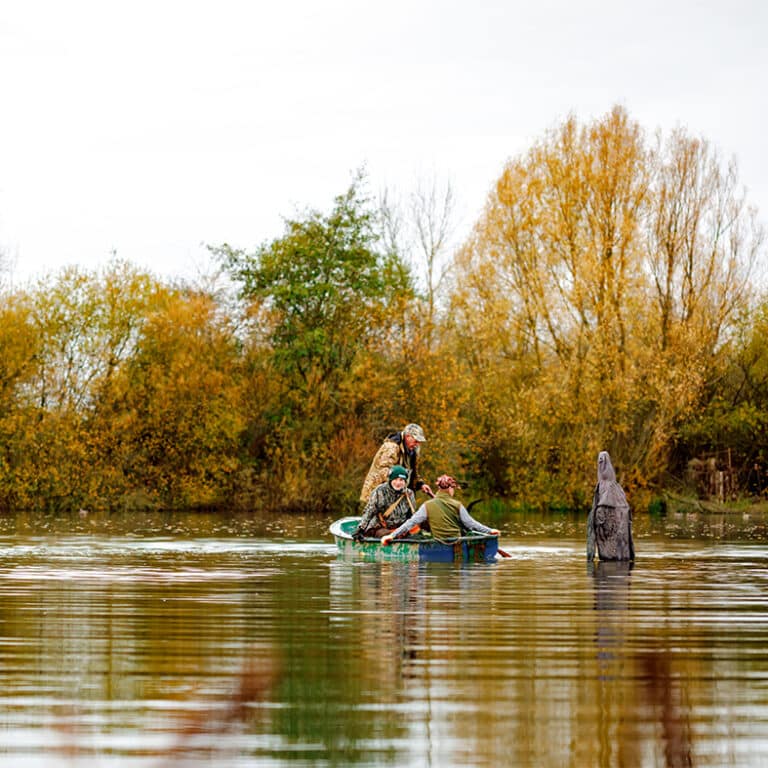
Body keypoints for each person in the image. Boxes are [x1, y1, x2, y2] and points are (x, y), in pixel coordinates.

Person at [381, 474, 499, 544]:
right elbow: (471, 524)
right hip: (456, 542)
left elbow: (411, 523)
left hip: (438, 543)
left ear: (438, 488)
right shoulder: (458, 505)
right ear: (451, 489)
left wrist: (392, 536)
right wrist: (489, 531)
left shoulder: (427, 505)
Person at [360, 423, 432, 503]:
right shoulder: (391, 447)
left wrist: (421, 484)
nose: (417, 444)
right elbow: (383, 470)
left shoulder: (412, 451)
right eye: (416, 441)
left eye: (419, 442)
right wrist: (400, 483)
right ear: (407, 436)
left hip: (398, 496)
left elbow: (412, 472)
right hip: (379, 496)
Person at [587, 451, 635, 562]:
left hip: (612, 526)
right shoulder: (614, 487)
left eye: (602, 461)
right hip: (613, 530)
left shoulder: (611, 487)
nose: (600, 464)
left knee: (612, 555)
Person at [353, 465, 417, 540]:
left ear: (405, 482)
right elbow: (369, 512)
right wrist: (360, 529)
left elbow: (412, 516)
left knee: (422, 523)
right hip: (380, 528)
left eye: (401, 480)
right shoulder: (380, 491)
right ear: (390, 480)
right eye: (395, 479)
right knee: (391, 536)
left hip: (399, 528)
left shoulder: (409, 493)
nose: (398, 483)